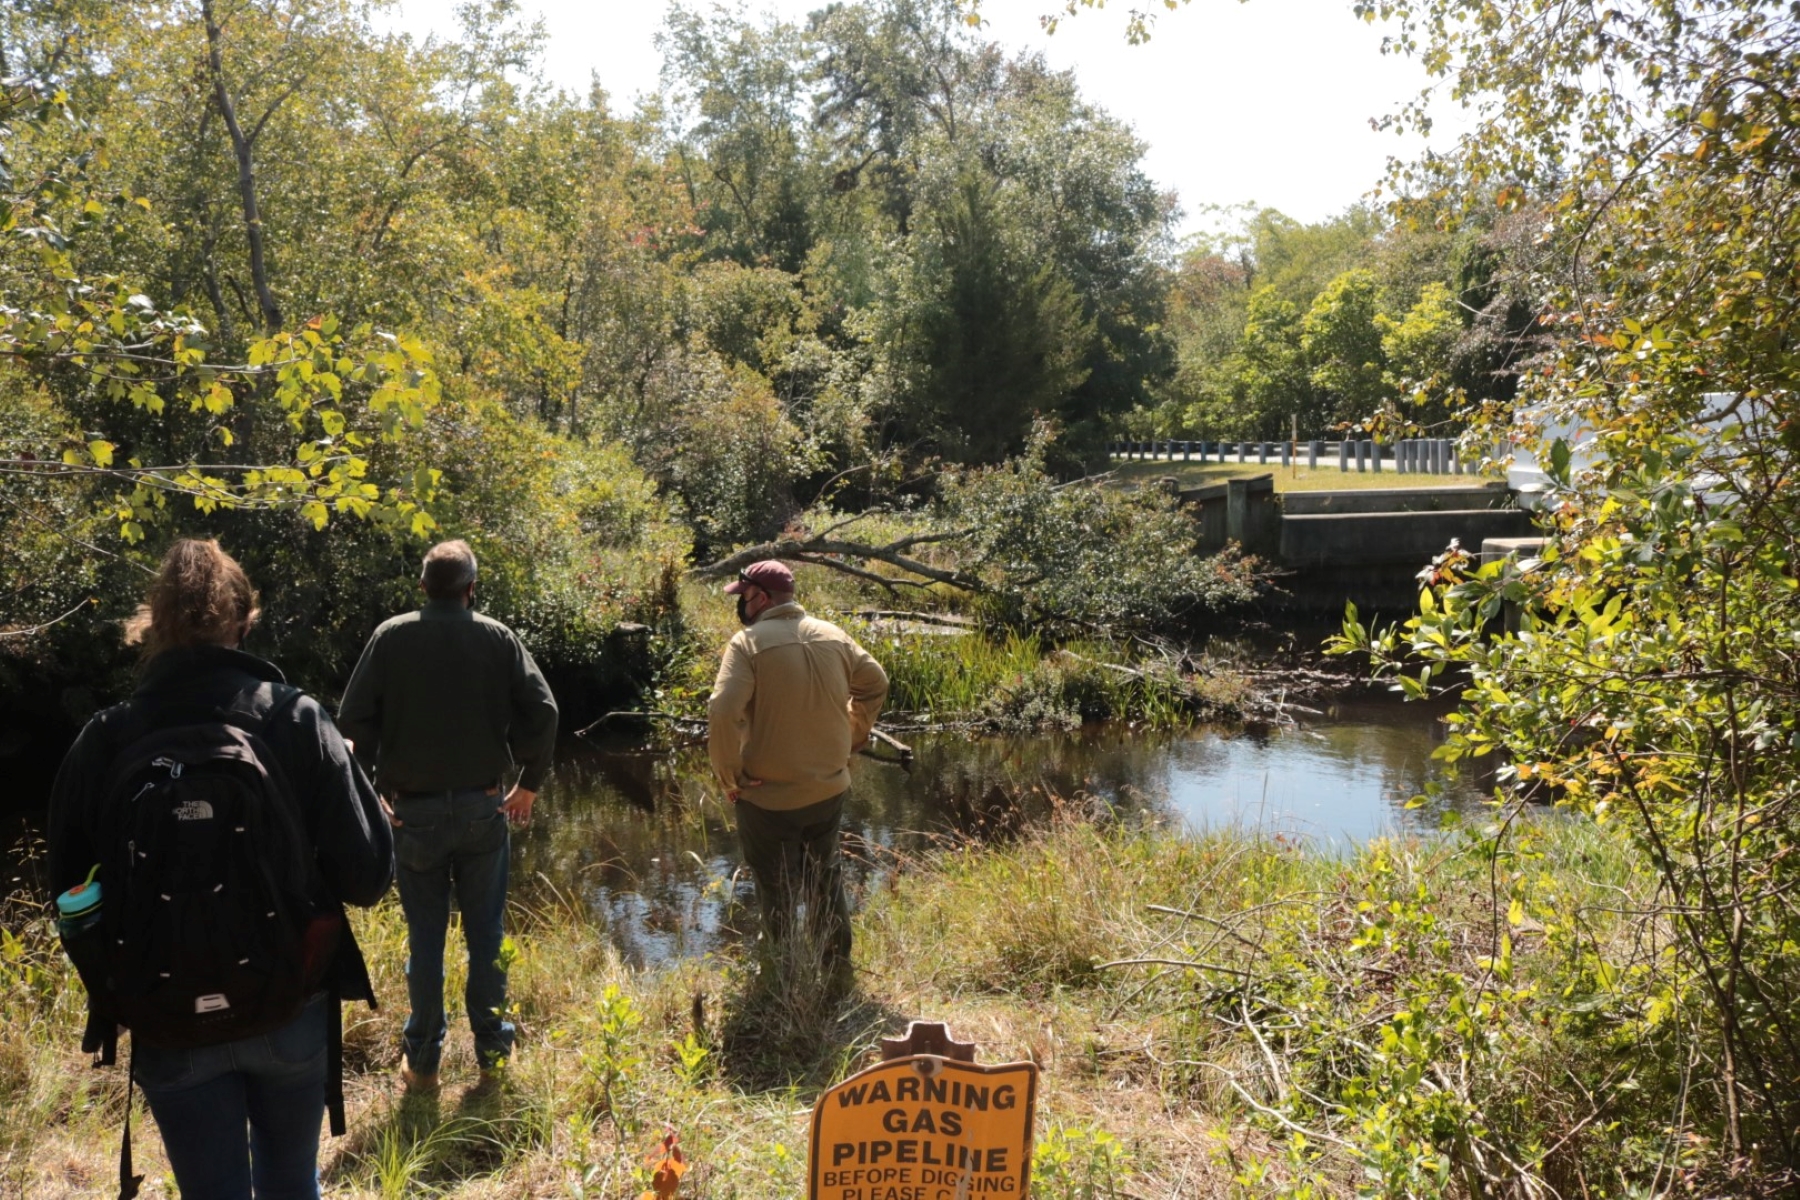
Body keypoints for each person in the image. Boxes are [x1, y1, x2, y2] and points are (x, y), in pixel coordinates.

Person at [48, 538, 392, 1200]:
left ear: (153, 624)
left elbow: (68, 899)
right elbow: (368, 879)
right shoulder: (296, 718)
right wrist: (352, 773)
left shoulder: (106, 737)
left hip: (167, 1019)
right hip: (289, 1001)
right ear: (244, 619)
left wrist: (118, 984)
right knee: (291, 1183)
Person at [338, 539, 558, 1091]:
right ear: (471, 588)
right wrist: (529, 784)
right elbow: (543, 710)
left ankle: (423, 1066)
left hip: (412, 816)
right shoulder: (497, 637)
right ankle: (492, 1061)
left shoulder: (390, 636)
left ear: (422, 587)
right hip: (485, 808)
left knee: (426, 941)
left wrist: (369, 794)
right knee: (486, 936)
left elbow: (350, 725)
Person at [707, 559, 888, 969]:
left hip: (766, 797)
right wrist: (853, 735)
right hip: (829, 788)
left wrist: (731, 778)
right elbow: (876, 683)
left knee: (775, 885)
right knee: (824, 876)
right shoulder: (833, 635)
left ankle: (783, 970)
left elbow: (722, 710)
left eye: (743, 596)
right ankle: (835, 963)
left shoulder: (747, 644)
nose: (741, 605)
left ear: (761, 598)